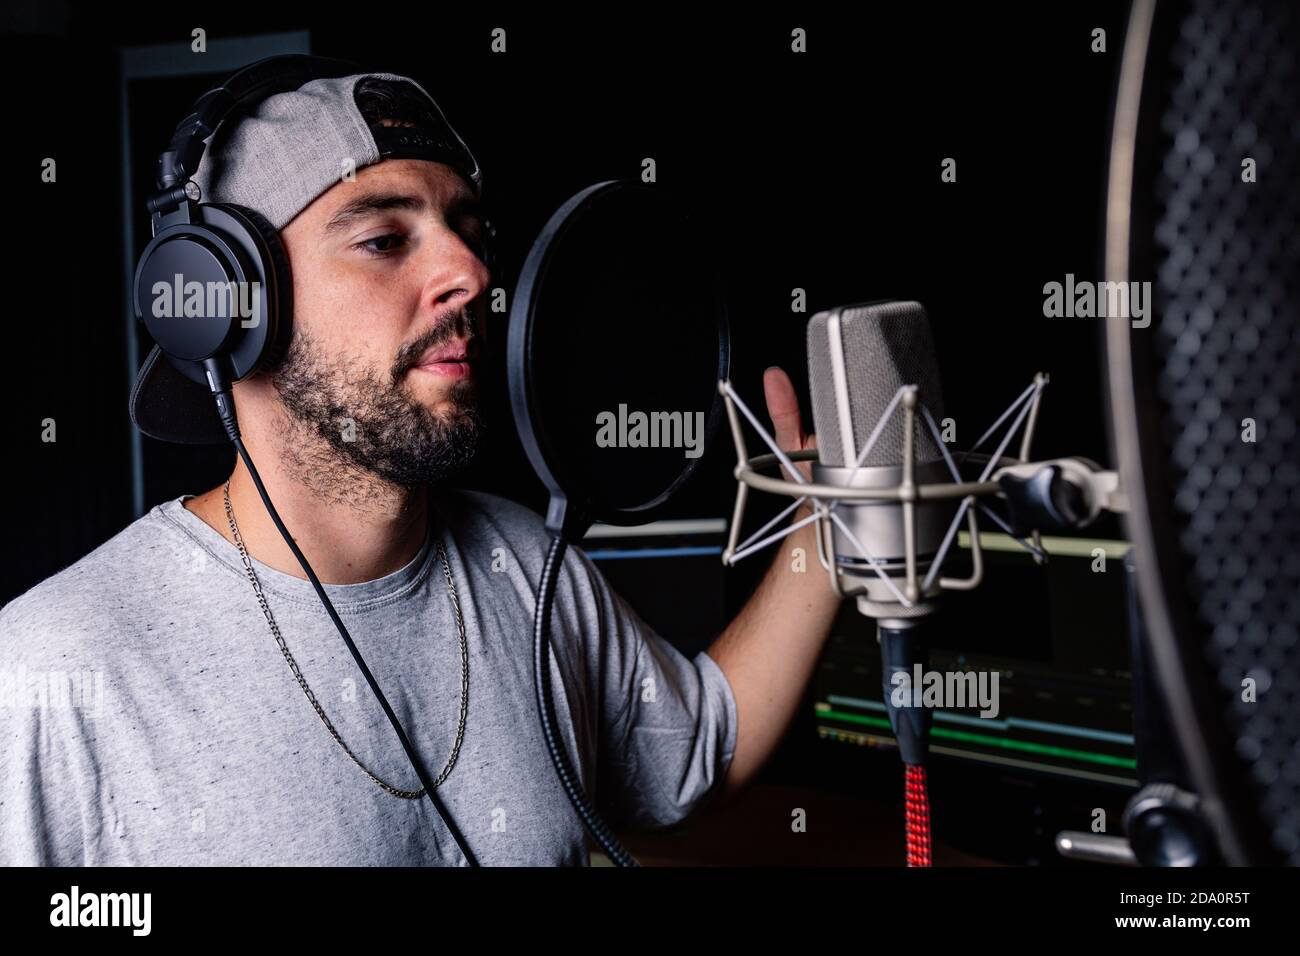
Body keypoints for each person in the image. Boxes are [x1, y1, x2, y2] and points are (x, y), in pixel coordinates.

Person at [0, 65, 839, 865]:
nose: (471, 275)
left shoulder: (530, 570)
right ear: (227, 305)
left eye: (470, 234)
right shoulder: (54, 666)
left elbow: (699, 751)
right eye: (383, 238)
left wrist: (825, 527)